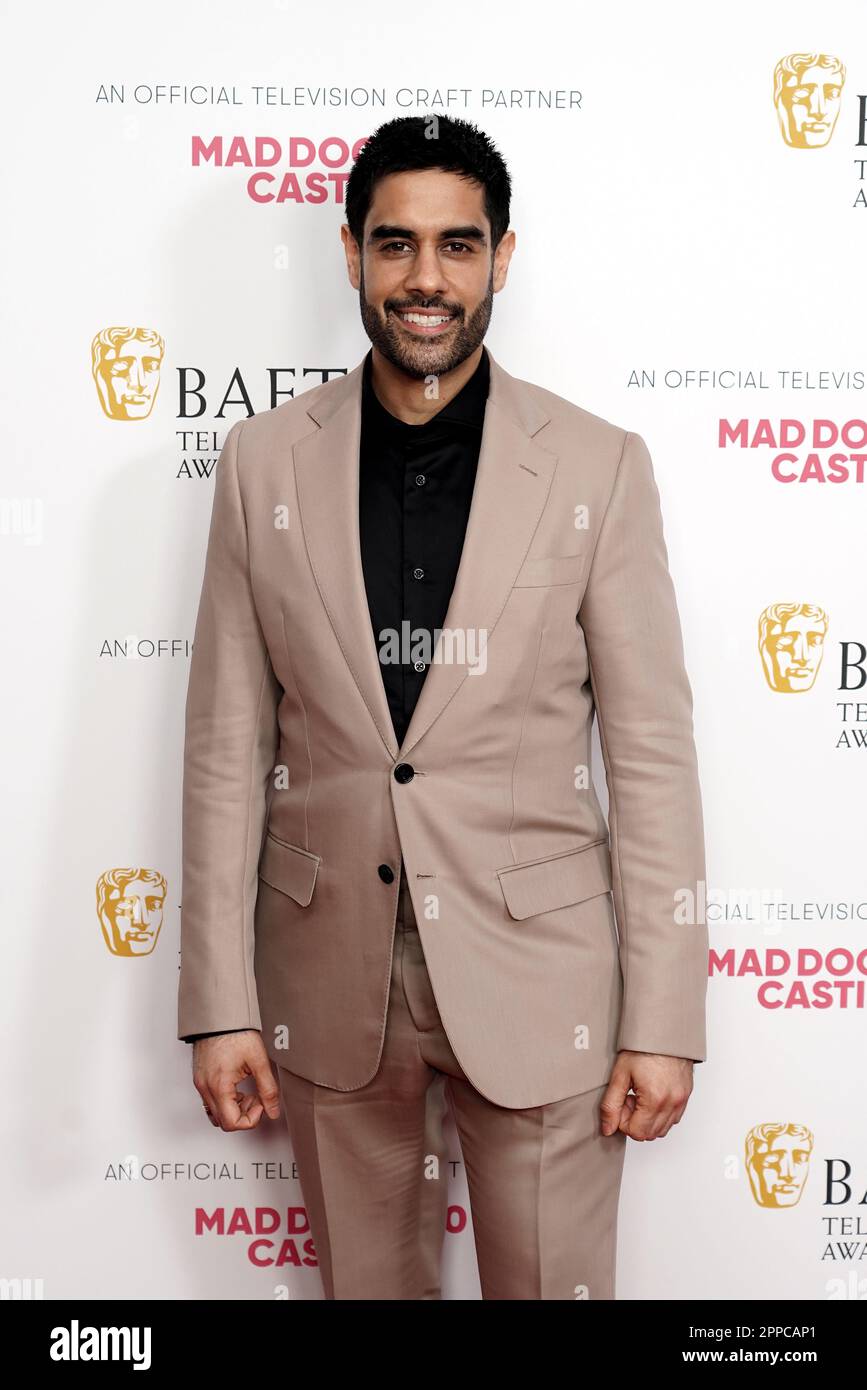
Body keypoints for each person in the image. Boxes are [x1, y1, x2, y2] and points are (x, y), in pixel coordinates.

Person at [178, 114, 709, 1301]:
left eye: (458, 246)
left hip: (544, 984)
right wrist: (217, 1005)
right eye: (396, 244)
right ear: (351, 253)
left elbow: (653, 755)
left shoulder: (595, 466)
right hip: (326, 982)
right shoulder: (262, 465)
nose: (427, 279)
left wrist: (665, 1016)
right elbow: (225, 750)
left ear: (502, 258)